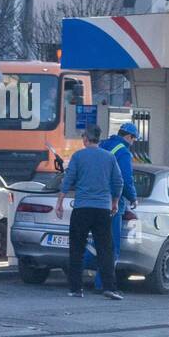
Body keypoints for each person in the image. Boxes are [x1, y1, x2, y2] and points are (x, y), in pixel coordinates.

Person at [55, 125, 123, 300]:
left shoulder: (78, 156)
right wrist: (115, 202)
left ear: (86, 138)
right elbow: (118, 182)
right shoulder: (109, 157)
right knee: (105, 249)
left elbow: (68, 179)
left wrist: (60, 201)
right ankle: (109, 287)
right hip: (102, 209)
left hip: (82, 208)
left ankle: (76, 289)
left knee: (77, 249)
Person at [89, 121, 139, 290]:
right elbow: (124, 179)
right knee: (111, 246)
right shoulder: (123, 152)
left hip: (92, 199)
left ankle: (81, 271)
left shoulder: (103, 145)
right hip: (111, 202)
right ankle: (104, 284)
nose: (133, 142)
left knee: (96, 243)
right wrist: (133, 197)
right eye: (134, 139)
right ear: (129, 136)